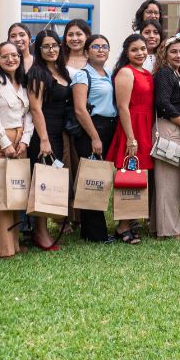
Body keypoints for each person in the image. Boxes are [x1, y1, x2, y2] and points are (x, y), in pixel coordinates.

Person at [0, 41, 33, 259]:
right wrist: (5, 143)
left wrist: (25, 141)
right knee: (1, 195)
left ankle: (15, 242)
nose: (11, 59)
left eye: (15, 55)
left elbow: (28, 115)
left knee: (16, 193)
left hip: (20, 144)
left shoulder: (23, 82)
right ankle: (5, 248)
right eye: (5, 56)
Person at [26, 30, 70, 251]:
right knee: (42, 181)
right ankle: (39, 232)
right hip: (44, 134)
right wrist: (44, 139)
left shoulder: (61, 71)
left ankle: (44, 229)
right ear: (38, 50)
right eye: (46, 46)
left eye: (54, 45)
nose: (51, 50)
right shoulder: (37, 73)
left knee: (51, 181)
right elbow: (35, 108)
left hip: (58, 133)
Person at [110, 33, 154, 244]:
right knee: (128, 174)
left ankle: (131, 220)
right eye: (135, 50)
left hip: (146, 127)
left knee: (139, 176)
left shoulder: (146, 72)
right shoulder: (126, 73)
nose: (140, 53)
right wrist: (130, 138)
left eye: (143, 49)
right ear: (127, 52)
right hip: (132, 127)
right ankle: (122, 226)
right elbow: (122, 107)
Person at [70, 34, 115, 244]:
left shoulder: (109, 73)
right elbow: (80, 110)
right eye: (95, 46)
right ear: (87, 52)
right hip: (92, 130)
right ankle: (97, 234)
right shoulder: (82, 75)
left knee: (100, 179)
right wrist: (95, 137)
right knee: (93, 180)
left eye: (104, 46)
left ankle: (91, 230)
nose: (101, 49)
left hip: (109, 128)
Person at [153, 34, 180, 240]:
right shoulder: (164, 74)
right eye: (174, 51)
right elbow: (162, 102)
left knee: (169, 181)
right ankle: (169, 231)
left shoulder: (176, 74)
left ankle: (158, 226)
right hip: (170, 128)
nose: (178, 55)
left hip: (175, 128)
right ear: (164, 54)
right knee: (168, 182)